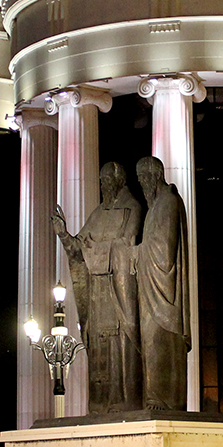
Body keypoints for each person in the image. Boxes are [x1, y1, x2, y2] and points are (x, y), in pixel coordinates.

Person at [52, 163, 143, 412]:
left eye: (105, 181)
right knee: (99, 341)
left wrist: (95, 249)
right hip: (97, 291)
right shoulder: (98, 213)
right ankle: (100, 403)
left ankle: (124, 400)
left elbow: (127, 245)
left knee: (120, 342)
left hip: (119, 289)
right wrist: (63, 234)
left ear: (117, 182)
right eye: (101, 181)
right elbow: (78, 250)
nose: (103, 186)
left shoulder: (132, 208)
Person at [131, 156, 191, 410]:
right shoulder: (156, 206)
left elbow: (164, 254)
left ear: (155, 176)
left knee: (158, 342)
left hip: (163, 295)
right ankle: (155, 397)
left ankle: (163, 399)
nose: (142, 185)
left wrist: (135, 252)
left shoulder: (167, 202)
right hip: (152, 290)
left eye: (144, 179)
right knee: (150, 344)